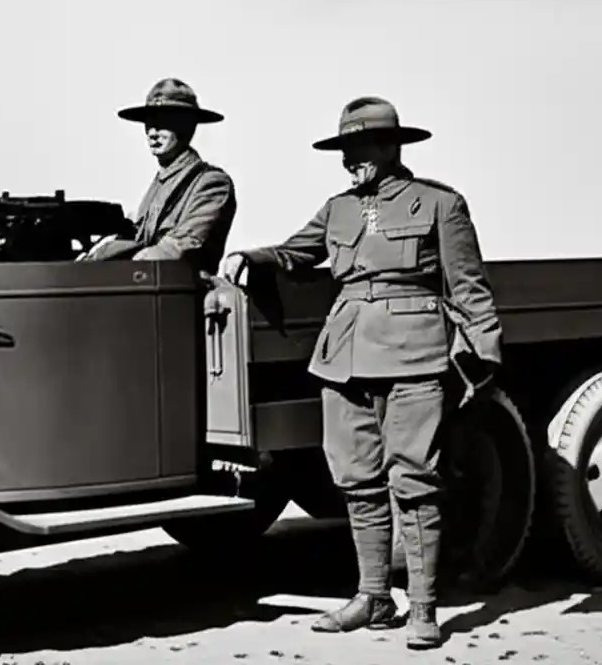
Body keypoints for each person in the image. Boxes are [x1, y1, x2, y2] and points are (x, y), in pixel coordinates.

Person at [222, 96, 502, 650]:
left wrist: (483, 356)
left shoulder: (440, 204)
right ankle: (373, 595)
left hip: (414, 354)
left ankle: (423, 606)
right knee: (356, 479)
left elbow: (469, 285)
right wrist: (250, 257)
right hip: (344, 355)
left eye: (362, 147)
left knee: (415, 482)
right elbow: (296, 251)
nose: (352, 159)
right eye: (345, 149)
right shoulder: (338, 208)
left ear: (393, 146)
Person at [79, 77, 236, 274]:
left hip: (182, 293)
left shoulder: (210, 183)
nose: (152, 132)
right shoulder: (160, 183)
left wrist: (117, 267)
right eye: (149, 123)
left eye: (164, 123)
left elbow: (179, 248)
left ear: (187, 127)